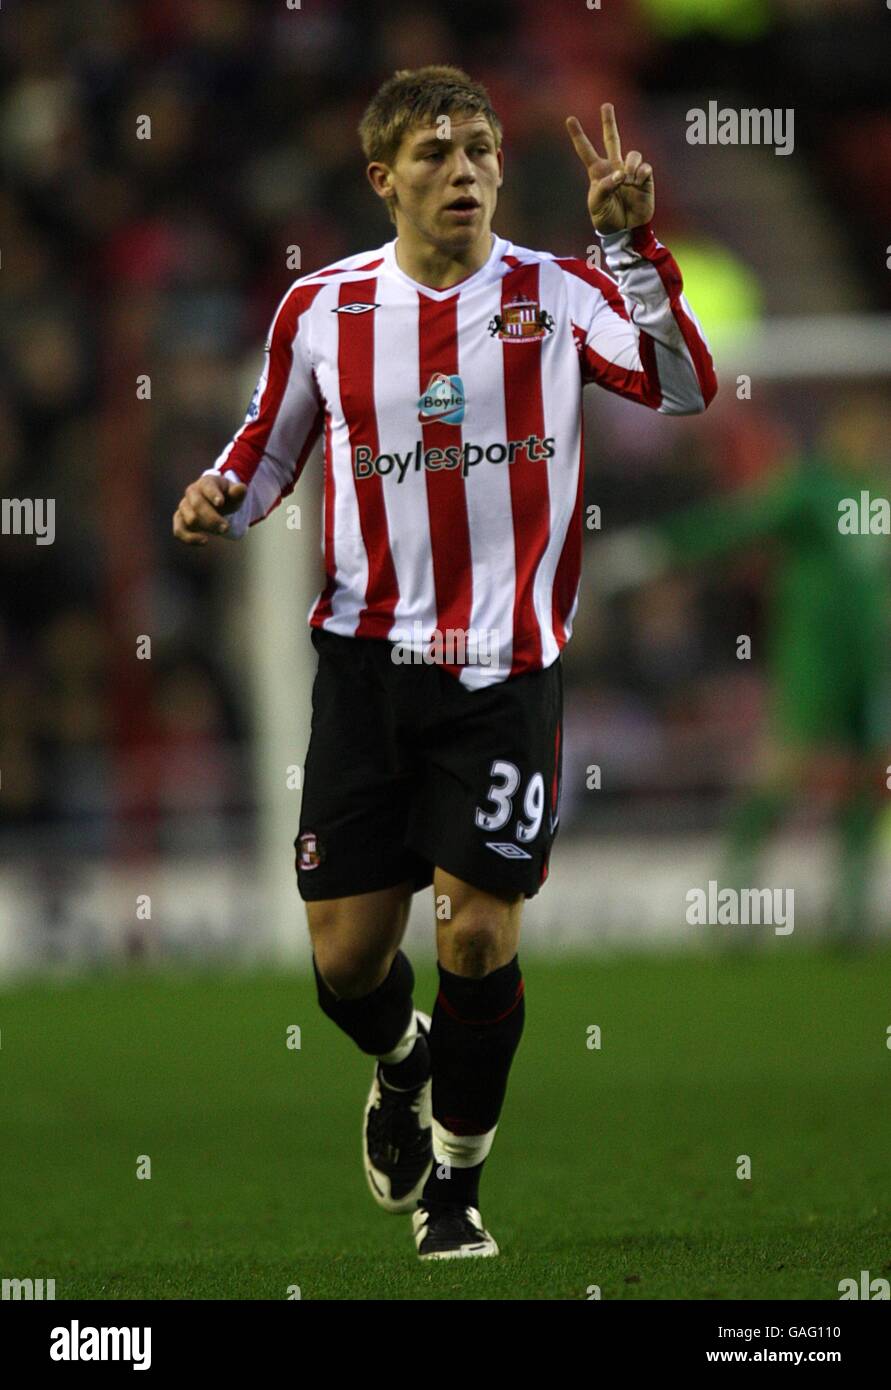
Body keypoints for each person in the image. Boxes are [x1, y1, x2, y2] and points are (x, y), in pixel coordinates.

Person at [173, 65, 716, 1260]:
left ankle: (458, 1188)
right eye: (434, 154)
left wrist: (636, 251)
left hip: (507, 671)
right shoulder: (322, 307)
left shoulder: (561, 291)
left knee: (474, 933)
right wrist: (223, 492)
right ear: (383, 179)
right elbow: (269, 445)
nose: (463, 170)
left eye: (478, 150)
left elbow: (683, 388)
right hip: (366, 669)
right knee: (346, 962)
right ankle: (403, 1058)